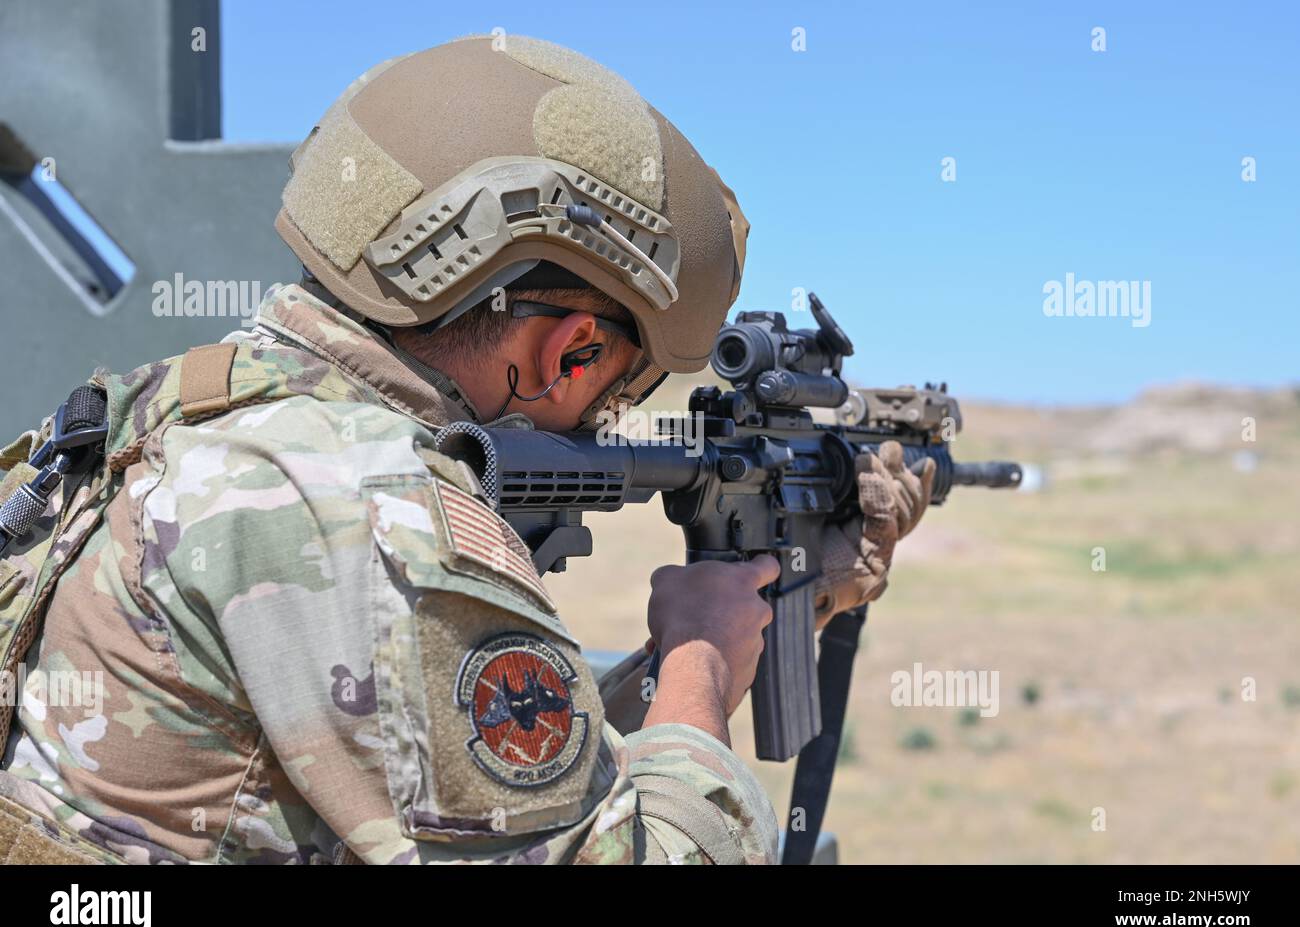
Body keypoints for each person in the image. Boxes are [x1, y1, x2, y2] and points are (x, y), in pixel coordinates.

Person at [0, 35, 931, 865]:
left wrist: (762, 621)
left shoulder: (172, 409)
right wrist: (704, 662)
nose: (603, 418)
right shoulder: (372, 512)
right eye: (618, 386)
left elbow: (457, 777)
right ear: (565, 350)